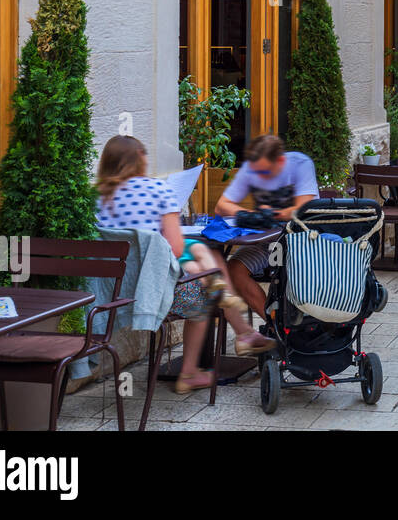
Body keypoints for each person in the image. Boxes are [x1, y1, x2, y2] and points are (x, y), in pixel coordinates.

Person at [95, 135, 273, 395]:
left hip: (119, 293)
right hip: (158, 293)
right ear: (139, 161)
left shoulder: (99, 200)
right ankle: (196, 367)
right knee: (204, 286)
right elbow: (175, 249)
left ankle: (240, 329)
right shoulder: (157, 190)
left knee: (200, 256)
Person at [215, 134, 319, 320]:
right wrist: (248, 215)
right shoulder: (252, 168)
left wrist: (271, 214)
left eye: (265, 172)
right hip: (269, 242)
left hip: (303, 240)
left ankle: (307, 324)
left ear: (280, 160)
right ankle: (274, 324)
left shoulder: (300, 164)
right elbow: (222, 205)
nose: (259, 178)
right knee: (235, 269)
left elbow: (304, 208)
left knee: (293, 272)